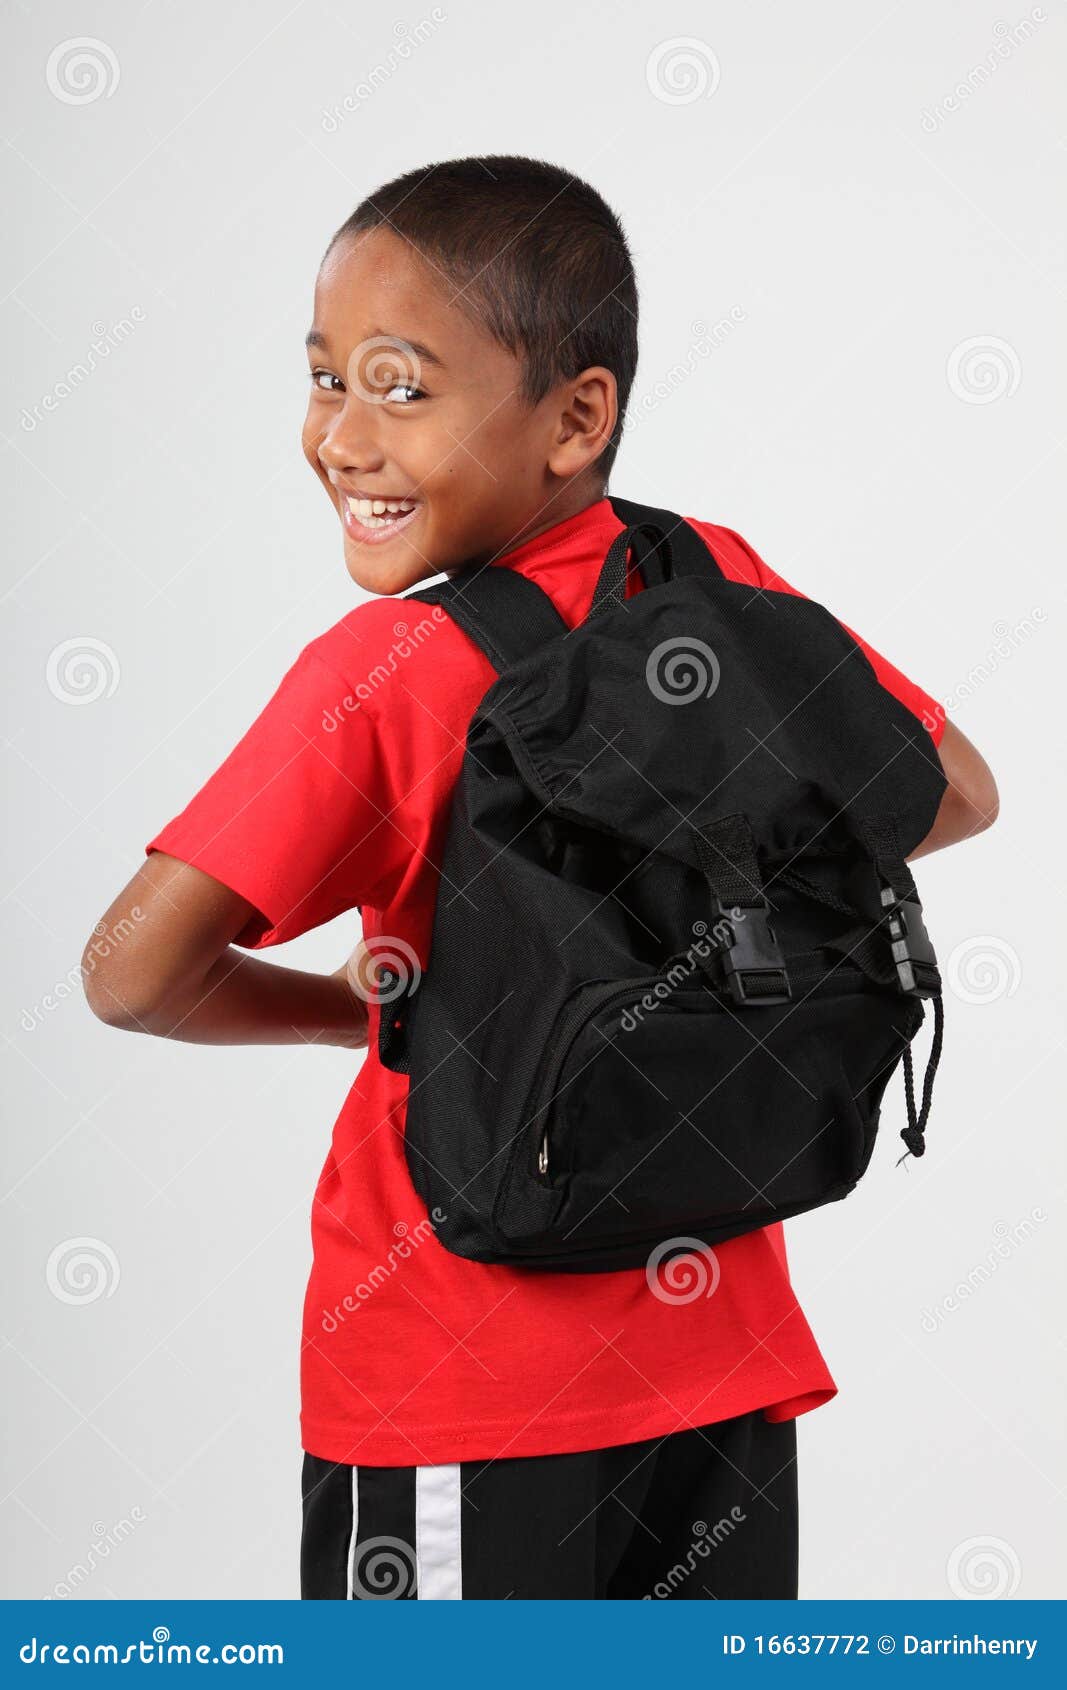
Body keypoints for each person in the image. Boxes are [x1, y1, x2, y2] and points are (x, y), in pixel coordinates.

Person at [83, 156, 998, 1600]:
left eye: (402, 386)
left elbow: (130, 970)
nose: (343, 436)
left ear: (579, 415)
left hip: (455, 1380)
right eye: (324, 378)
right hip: (724, 1360)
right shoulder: (714, 580)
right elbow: (949, 791)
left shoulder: (381, 675)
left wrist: (358, 1010)